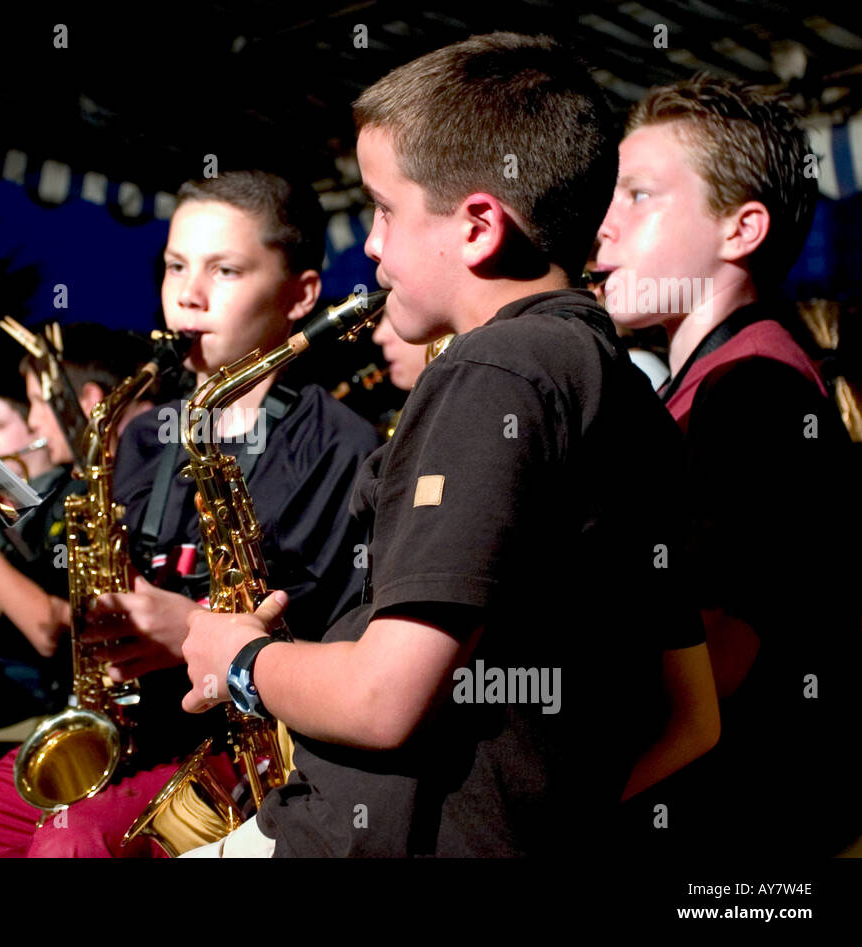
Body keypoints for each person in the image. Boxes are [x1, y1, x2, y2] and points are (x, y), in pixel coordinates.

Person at [179, 33, 717, 858]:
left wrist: (241, 656)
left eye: (384, 209)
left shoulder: (490, 370)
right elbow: (694, 719)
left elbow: (383, 698)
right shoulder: (626, 390)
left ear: (476, 227)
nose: (371, 245)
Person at [0, 170, 381, 857]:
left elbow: (347, 658)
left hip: (248, 754)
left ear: (301, 294)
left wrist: (192, 631)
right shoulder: (139, 433)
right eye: (176, 266)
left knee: (70, 847)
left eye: (225, 270)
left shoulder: (341, 446)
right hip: (131, 735)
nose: (187, 294)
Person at [595, 75, 862, 855]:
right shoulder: (721, 379)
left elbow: (710, 669)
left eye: (637, 195)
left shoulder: (752, 392)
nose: (603, 226)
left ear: (741, 229)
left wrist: (548, 813)